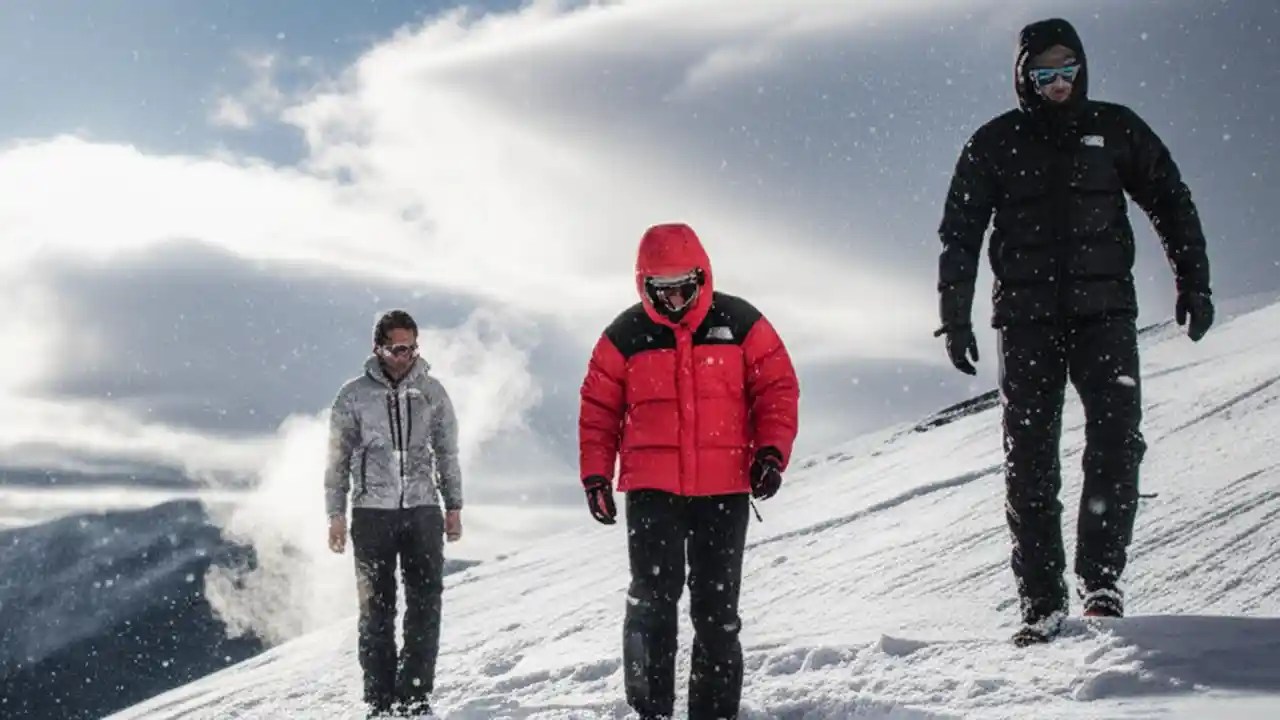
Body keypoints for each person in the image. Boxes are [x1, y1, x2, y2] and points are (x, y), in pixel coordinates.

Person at [934, 18, 1214, 646]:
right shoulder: (995, 143)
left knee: (1116, 444)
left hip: (1105, 316)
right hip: (1027, 324)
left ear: (1081, 68)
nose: (1057, 83)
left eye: (1067, 70)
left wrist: (1193, 281)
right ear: (1024, 76)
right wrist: (954, 315)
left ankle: (1102, 584)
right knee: (1029, 464)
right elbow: (961, 232)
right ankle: (1040, 603)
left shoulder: (1116, 129)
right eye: (1044, 73)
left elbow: (1171, 199)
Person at [578, 222, 800, 719]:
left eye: (685, 287)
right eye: (664, 290)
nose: (676, 299)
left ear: (702, 276)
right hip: (653, 493)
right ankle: (650, 712)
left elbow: (778, 389)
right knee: (651, 606)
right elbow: (598, 408)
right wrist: (596, 475)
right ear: (645, 285)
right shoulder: (624, 335)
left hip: (724, 492)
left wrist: (770, 452)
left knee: (717, 615)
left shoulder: (741, 323)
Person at [324, 309, 464, 716]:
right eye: (396, 348)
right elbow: (336, 459)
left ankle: (415, 696)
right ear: (378, 348)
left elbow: (447, 452)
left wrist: (453, 505)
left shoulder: (433, 392)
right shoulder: (353, 395)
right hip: (372, 514)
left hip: (423, 510)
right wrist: (335, 514)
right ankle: (380, 701)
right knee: (376, 610)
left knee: (426, 604)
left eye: (411, 348)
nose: (404, 356)